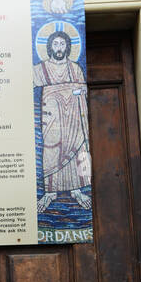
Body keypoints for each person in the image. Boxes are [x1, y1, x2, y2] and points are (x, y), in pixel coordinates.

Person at [33, 30, 91, 212]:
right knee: (52, 151)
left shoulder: (75, 69)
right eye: (56, 44)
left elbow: (83, 91)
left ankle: (76, 190)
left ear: (67, 46)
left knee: (76, 150)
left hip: (73, 120)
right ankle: (50, 192)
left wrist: (73, 92)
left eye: (62, 44)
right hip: (52, 121)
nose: (59, 48)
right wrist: (64, 91)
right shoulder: (39, 70)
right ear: (50, 47)